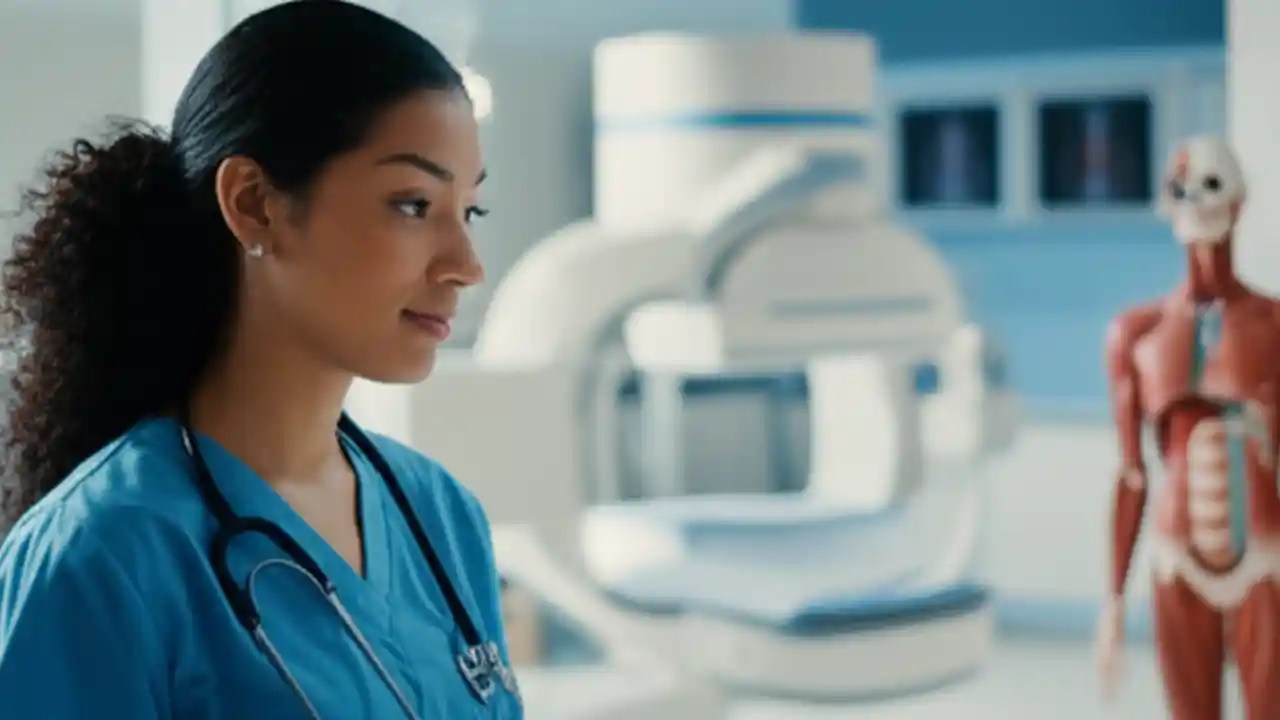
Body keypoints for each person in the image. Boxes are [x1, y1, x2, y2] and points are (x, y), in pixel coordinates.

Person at [0, 1, 522, 717]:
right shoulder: (102, 554)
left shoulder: (441, 516)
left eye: (471, 212)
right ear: (254, 205)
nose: (466, 265)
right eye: (412, 204)